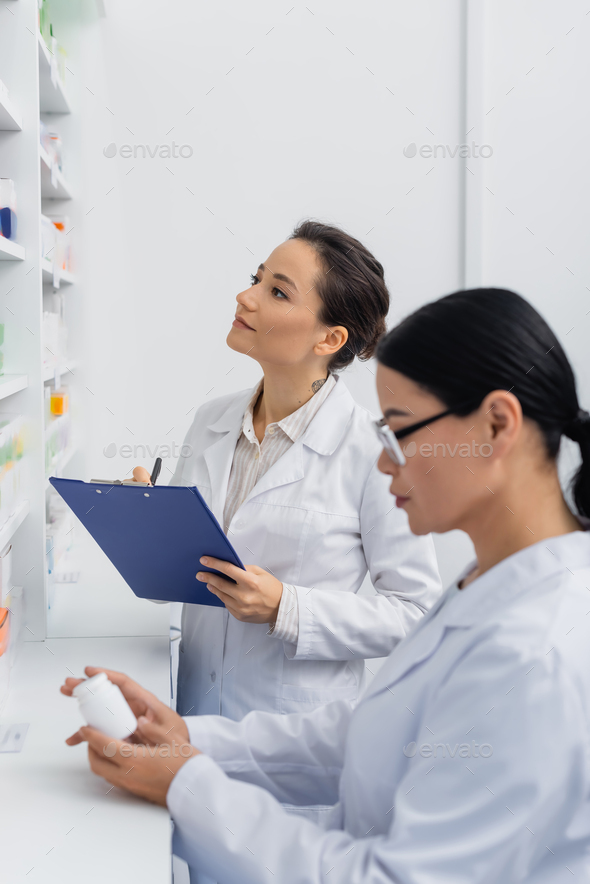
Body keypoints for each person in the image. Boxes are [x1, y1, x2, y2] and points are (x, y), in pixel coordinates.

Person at [63, 287, 590, 882]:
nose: (385, 460)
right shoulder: (490, 584)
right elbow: (374, 733)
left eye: (399, 432)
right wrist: (188, 739)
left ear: (495, 425)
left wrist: (191, 784)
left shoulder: (534, 651)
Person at [133, 220, 441, 724]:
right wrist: (147, 522)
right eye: (256, 278)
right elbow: (193, 566)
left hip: (295, 734)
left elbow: (416, 613)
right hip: (192, 712)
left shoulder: (376, 452)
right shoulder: (212, 421)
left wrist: (287, 609)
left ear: (329, 338)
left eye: (276, 291)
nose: (245, 296)